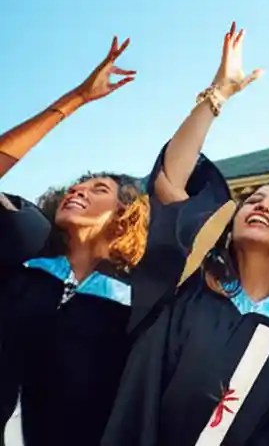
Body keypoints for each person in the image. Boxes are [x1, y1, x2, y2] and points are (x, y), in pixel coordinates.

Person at [102, 23, 269, 445]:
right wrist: (217, 94)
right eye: (254, 199)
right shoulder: (189, 284)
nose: (261, 205)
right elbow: (171, 180)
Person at [0, 37, 146, 445]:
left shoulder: (135, 301)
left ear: (124, 216)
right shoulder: (27, 257)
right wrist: (77, 98)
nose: (77, 191)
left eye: (98, 189)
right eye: (76, 185)